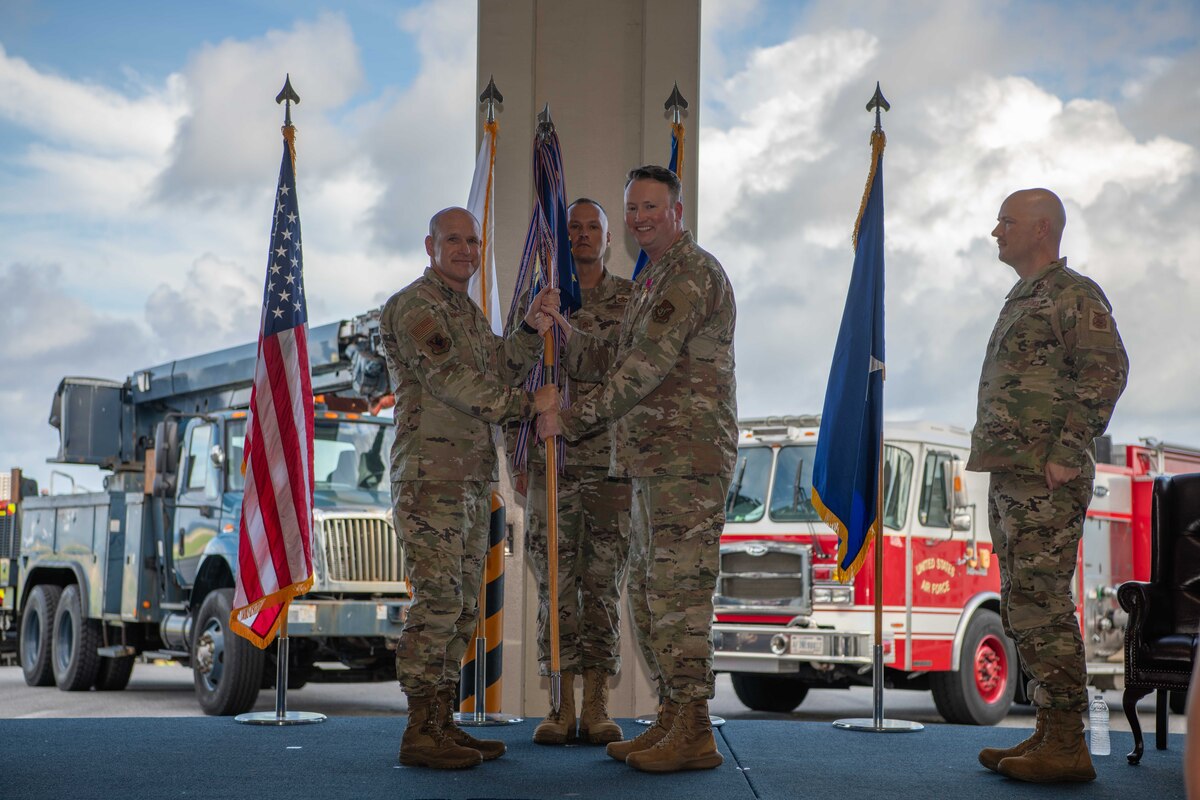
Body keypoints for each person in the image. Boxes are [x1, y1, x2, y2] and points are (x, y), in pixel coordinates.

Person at [538, 165, 737, 773]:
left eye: (651, 206)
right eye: (633, 209)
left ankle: (695, 728)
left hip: (687, 461)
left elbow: (642, 369)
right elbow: (612, 356)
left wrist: (568, 419)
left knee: (679, 597)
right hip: (652, 462)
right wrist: (562, 333)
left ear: (677, 211)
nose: (640, 217)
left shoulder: (692, 274)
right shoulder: (654, 282)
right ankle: (674, 719)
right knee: (651, 595)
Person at [379, 206, 559, 769]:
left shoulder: (467, 312)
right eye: (452, 240)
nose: (465, 249)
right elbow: (454, 381)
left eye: (472, 241)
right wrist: (532, 406)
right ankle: (419, 728)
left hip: (469, 481)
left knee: (460, 607)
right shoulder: (415, 307)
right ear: (429, 245)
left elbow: (498, 365)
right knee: (436, 602)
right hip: (430, 479)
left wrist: (529, 331)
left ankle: (441, 722)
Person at [968, 188, 1128, 783]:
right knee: (1021, 603)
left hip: (1046, 477)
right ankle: (1047, 728)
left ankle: (1067, 742)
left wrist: (1067, 449)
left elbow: (1108, 368)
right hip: (1014, 473)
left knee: (1042, 602)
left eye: (1006, 221)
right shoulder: (1023, 296)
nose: (996, 231)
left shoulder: (1072, 294)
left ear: (1041, 229)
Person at [514, 198, 635, 746]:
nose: (583, 236)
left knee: (603, 582)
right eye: (575, 229)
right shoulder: (537, 303)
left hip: (609, 465)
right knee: (556, 585)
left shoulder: (631, 301)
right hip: (553, 467)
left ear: (609, 240)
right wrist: (518, 454)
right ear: (561, 240)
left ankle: (597, 706)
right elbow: (516, 377)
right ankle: (560, 707)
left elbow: (628, 374)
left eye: (594, 228)